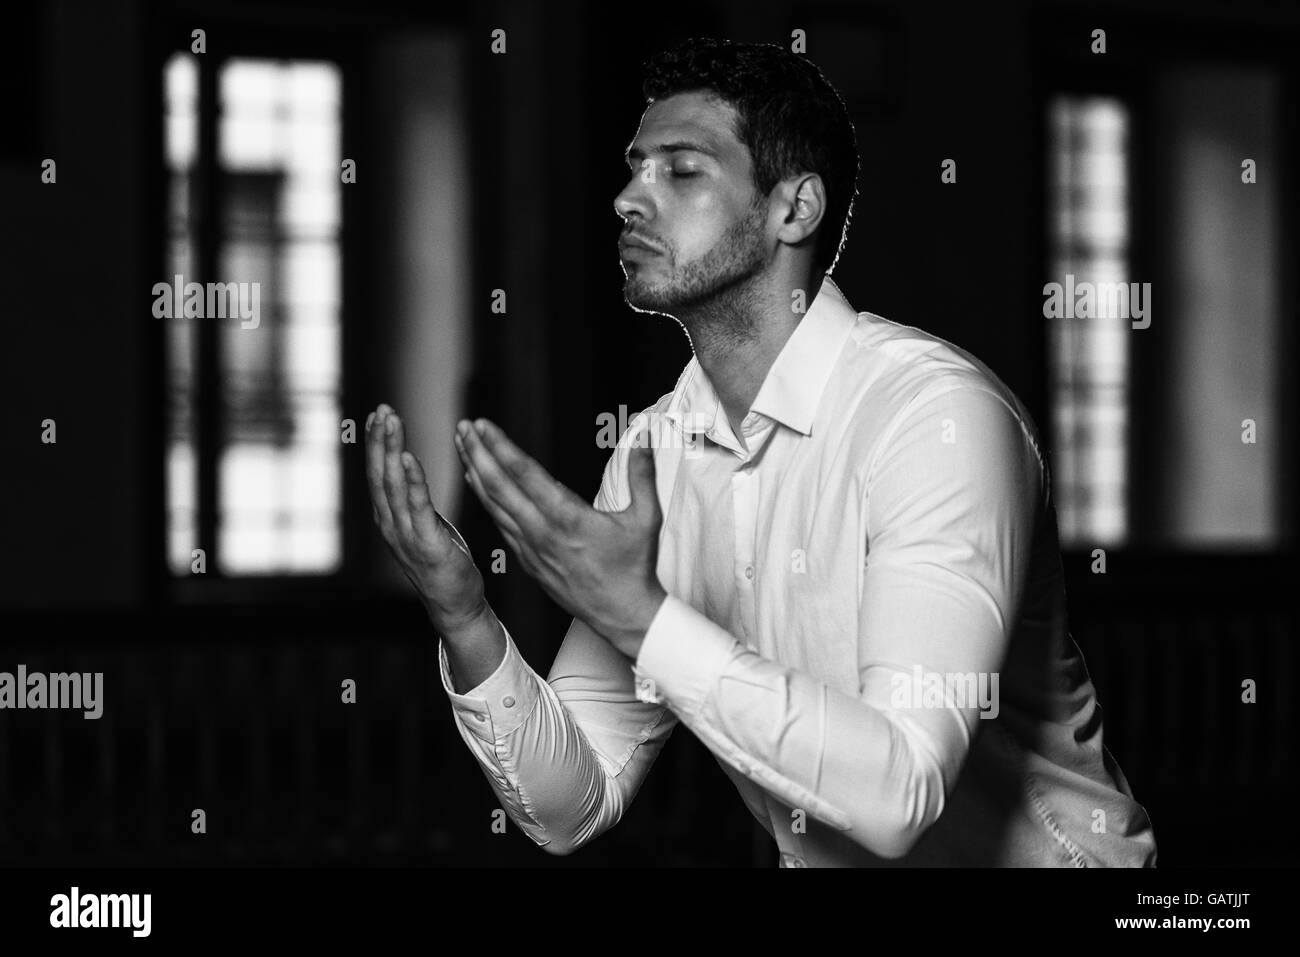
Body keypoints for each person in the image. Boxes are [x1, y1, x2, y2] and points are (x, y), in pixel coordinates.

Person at [365, 37, 1157, 867]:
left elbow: (899, 795)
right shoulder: (655, 454)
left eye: (681, 170)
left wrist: (643, 617)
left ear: (794, 209)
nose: (627, 199)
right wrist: (463, 615)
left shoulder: (936, 416)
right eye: (635, 167)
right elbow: (572, 805)